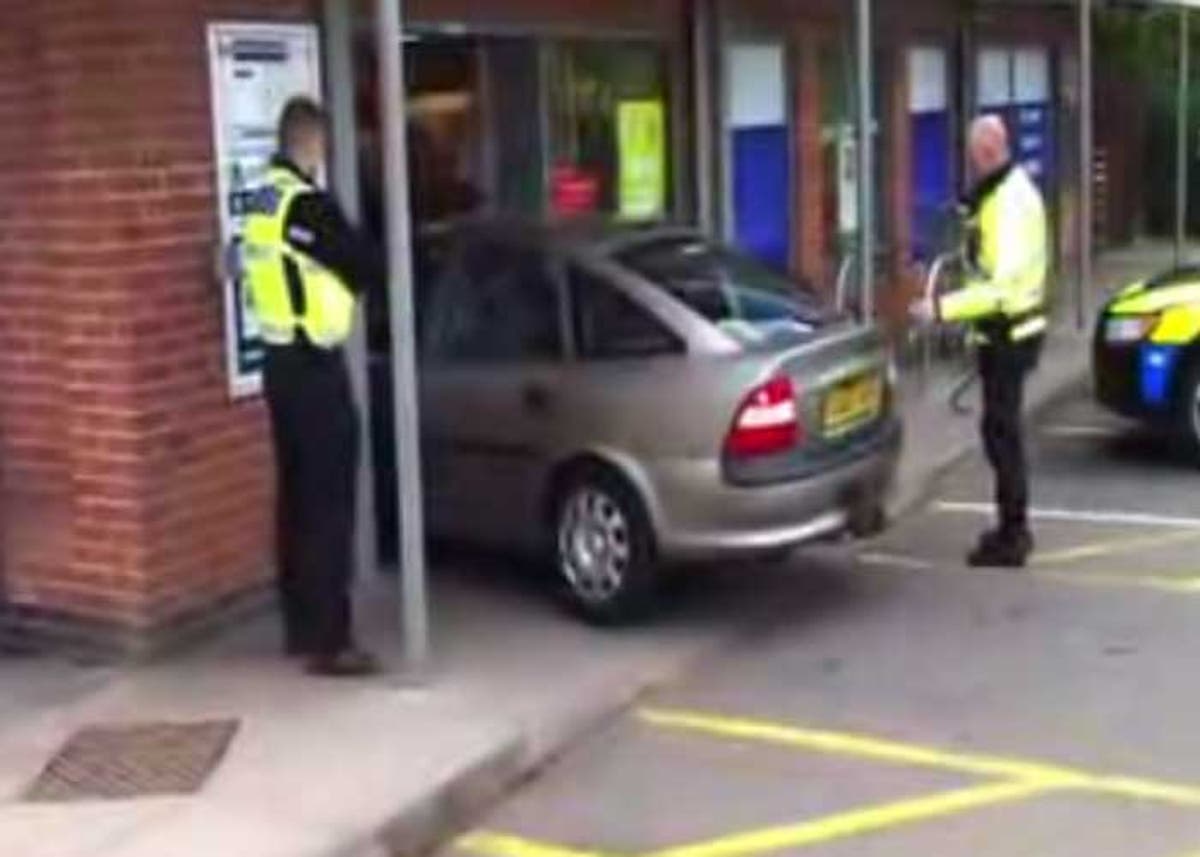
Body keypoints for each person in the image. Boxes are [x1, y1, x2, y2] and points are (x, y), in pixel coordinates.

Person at [242, 96, 384, 676]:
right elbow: (366, 264)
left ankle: (299, 626)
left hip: (278, 365)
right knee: (329, 505)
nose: (326, 155)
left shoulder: (261, 200)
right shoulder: (309, 206)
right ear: (312, 143)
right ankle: (333, 640)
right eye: (324, 145)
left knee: (295, 499)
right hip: (315, 367)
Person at [912, 115, 1048, 568]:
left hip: (1010, 330)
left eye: (974, 157)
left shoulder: (1008, 203)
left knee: (1001, 435)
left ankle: (1014, 534)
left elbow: (1001, 286)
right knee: (999, 430)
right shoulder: (1008, 191)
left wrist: (941, 309)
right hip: (1007, 330)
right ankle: (1012, 526)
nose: (972, 166)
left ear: (988, 151)